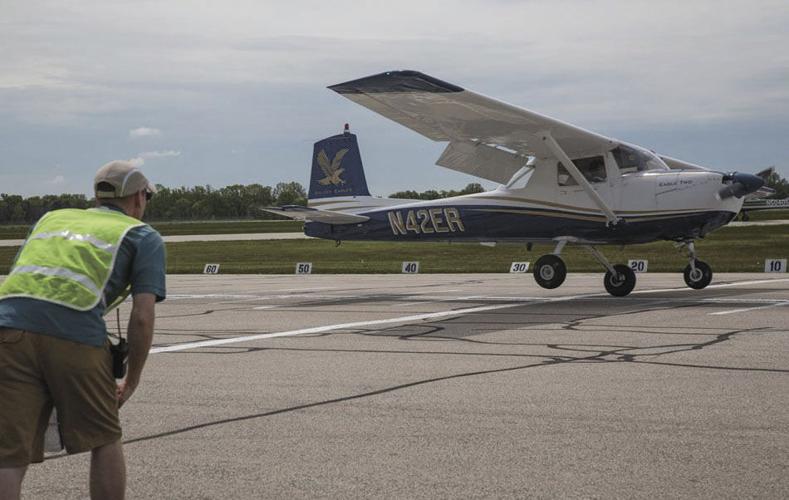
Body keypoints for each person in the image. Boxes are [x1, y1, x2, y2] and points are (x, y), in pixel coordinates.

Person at [0, 161, 166, 500]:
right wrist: (131, 379)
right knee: (104, 438)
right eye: (147, 195)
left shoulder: (51, 219)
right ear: (138, 197)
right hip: (74, 333)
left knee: (8, 454)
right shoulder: (142, 235)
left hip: (8, 328)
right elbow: (142, 317)